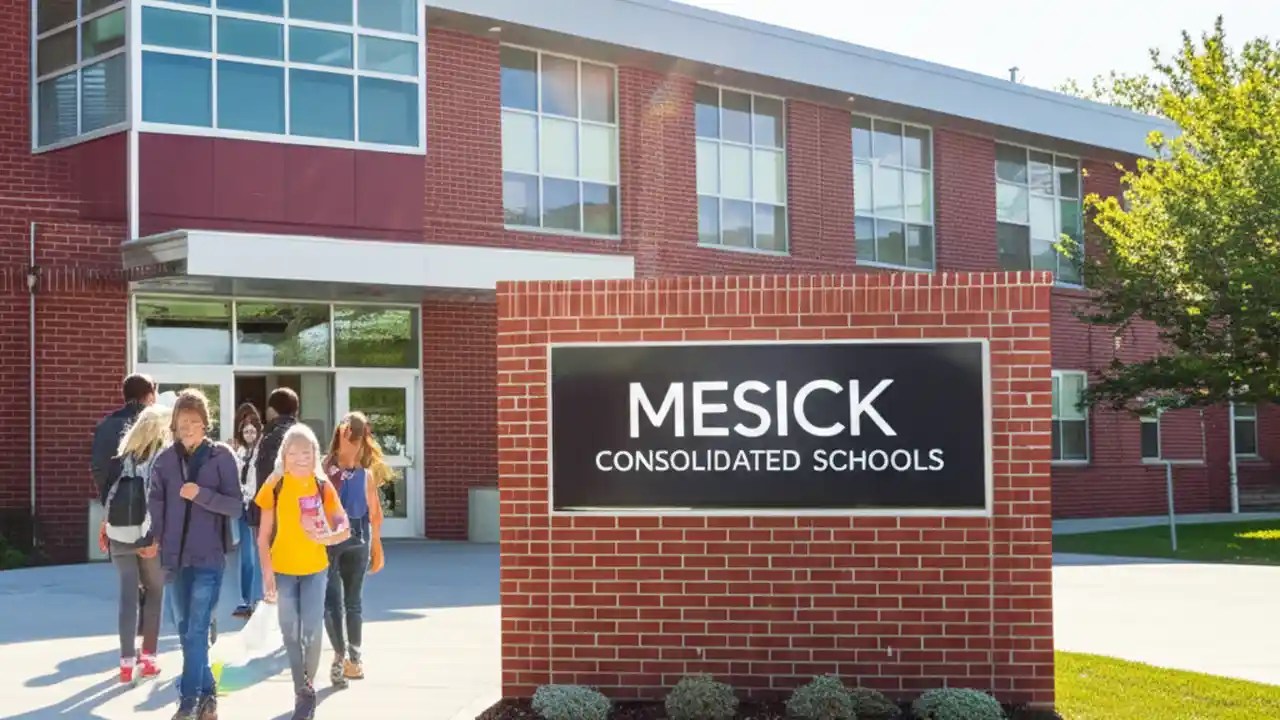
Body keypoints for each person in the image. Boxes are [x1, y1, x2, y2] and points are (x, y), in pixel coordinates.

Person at [148, 388, 242, 720]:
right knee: (186, 627)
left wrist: (202, 495)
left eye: (194, 421)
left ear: (205, 424)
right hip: (174, 559)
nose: (187, 427)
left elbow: (235, 504)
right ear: (173, 424)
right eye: (181, 421)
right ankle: (209, 697)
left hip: (208, 557)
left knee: (197, 629)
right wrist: (154, 537)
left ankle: (187, 701)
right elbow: (155, 503)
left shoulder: (221, 457)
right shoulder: (164, 460)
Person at [257, 423, 351, 720]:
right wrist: (266, 573)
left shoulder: (322, 486)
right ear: (284, 455)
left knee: (311, 629)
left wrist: (328, 538)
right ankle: (303, 689)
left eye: (306, 451)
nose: (300, 457)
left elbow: (344, 526)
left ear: (315, 453)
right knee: (290, 631)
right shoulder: (275, 485)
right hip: (283, 569)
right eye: (294, 451)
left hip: (314, 569)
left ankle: (306, 687)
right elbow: (263, 536)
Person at [101, 403, 171, 685]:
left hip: (119, 534)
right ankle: (149, 658)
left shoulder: (119, 458)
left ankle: (126, 663)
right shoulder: (163, 459)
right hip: (147, 536)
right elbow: (163, 501)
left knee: (127, 597)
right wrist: (158, 537)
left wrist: (104, 527)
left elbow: (106, 494)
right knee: (154, 593)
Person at [321, 412, 388, 688]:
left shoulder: (364, 475)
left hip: (354, 540)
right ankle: (342, 657)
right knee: (335, 603)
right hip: (330, 540)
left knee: (349, 602)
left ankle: (352, 659)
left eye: (356, 440)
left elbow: (375, 514)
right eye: (349, 438)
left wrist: (377, 547)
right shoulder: (325, 469)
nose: (352, 445)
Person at [230, 403, 265, 619]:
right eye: (246, 431)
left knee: (262, 553)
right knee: (247, 555)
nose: (249, 434)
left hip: (259, 506)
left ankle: (264, 596)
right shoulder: (240, 452)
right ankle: (246, 600)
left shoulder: (262, 453)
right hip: (244, 507)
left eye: (253, 430)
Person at [256, 387, 300, 505]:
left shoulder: (272, 438)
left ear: (271, 410)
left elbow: (265, 478)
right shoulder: (304, 435)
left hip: (277, 508)